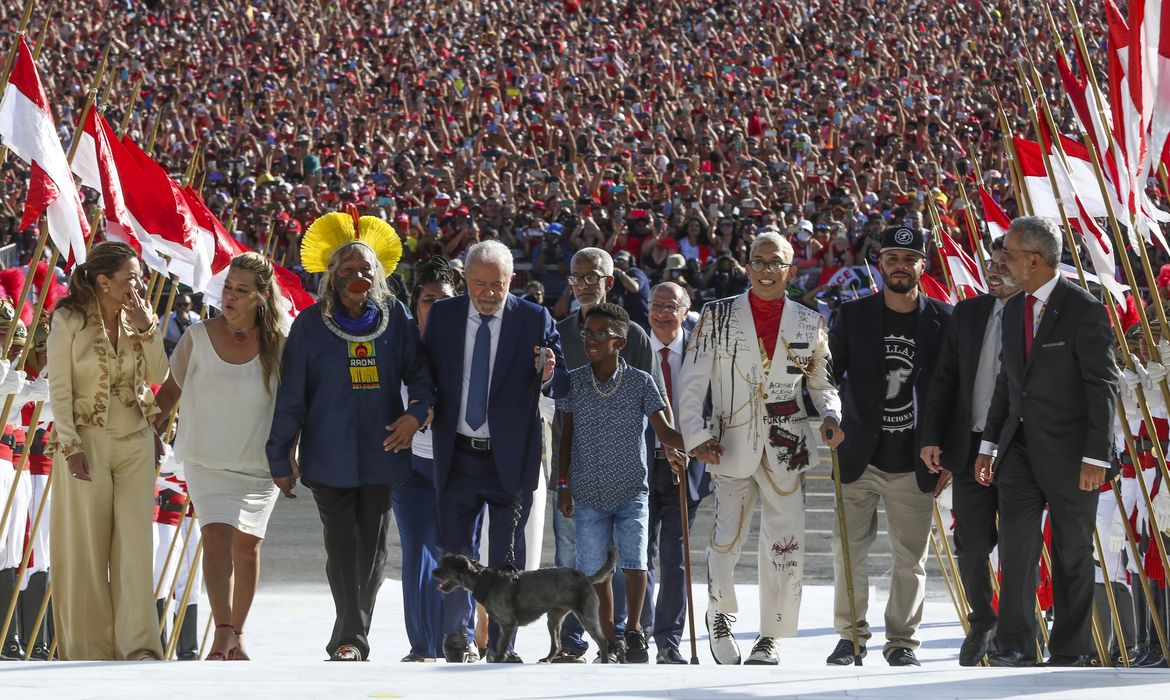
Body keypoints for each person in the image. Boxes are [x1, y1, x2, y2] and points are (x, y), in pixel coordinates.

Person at [267, 211, 435, 662]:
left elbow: (421, 376)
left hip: (384, 452)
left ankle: (349, 636)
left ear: (378, 274)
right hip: (329, 456)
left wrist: (415, 415)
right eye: (348, 270)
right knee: (341, 547)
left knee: (374, 551)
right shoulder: (308, 325)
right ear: (331, 277)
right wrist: (281, 457)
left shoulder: (396, 317)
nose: (358, 276)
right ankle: (353, 637)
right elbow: (291, 397)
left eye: (366, 269)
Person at [680, 231, 843, 665]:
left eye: (777, 263)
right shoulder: (715, 316)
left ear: (791, 270)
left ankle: (771, 634)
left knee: (785, 540)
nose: (767, 270)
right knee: (726, 537)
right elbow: (692, 382)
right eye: (759, 261)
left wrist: (831, 415)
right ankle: (720, 612)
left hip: (788, 446)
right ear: (746, 266)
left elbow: (822, 384)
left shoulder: (809, 322)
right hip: (727, 442)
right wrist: (695, 436)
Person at [975, 216, 1120, 667]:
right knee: (1016, 549)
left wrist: (1097, 455)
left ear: (1033, 260)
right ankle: (1015, 644)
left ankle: (1069, 649)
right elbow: (1006, 383)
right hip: (1017, 451)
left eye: (1010, 256)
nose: (1002, 264)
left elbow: (1102, 386)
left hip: (1075, 455)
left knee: (1071, 552)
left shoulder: (1084, 309)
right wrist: (988, 445)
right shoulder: (1014, 308)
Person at [424, 239, 568, 663]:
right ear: (465, 279)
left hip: (509, 457)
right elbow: (426, 371)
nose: (488, 293)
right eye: (479, 283)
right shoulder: (445, 316)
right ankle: (458, 636)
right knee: (455, 550)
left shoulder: (534, 318)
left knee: (507, 558)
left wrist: (548, 373)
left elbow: (557, 383)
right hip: (457, 454)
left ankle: (503, 644)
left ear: (512, 281)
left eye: (498, 285)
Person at [826, 225, 952, 667]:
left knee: (910, 562)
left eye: (909, 258)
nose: (900, 265)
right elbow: (826, 373)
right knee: (848, 555)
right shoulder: (853, 315)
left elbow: (953, 390)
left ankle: (901, 641)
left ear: (923, 265)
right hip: (858, 455)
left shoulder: (944, 318)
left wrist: (950, 452)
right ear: (881, 263)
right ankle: (850, 638)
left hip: (916, 461)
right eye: (892, 257)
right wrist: (829, 416)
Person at [154, 252, 288, 660]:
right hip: (204, 460)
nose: (229, 296)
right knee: (216, 537)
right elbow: (169, 394)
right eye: (228, 287)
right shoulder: (195, 337)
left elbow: (294, 408)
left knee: (247, 547)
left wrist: (290, 456)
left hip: (259, 465)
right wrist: (148, 435)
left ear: (261, 297)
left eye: (241, 291)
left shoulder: (281, 344)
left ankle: (238, 634)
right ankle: (222, 630)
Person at [46, 241, 168, 660]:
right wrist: (70, 444)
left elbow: (159, 373)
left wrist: (147, 326)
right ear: (103, 280)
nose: (138, 283)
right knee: (88, 547)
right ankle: (88, 647)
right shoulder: (68, 319)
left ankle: (139, 645)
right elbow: (59, 389)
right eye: (131, 276)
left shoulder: (139, 318)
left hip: (136, 439)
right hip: (87, 442)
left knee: (136, 545)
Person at [549, 246, 667, 663]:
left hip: (626, 468)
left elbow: (655, 400)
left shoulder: (632, 334)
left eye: (591, 277)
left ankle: (627, 634)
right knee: (573, 558)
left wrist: (670, 449)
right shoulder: (559, 332)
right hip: (574, 468)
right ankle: (576, 641)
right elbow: (553, 401)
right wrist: (561, 478)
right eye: (575, 278)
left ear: (609, 281)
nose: (583, 285)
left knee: (631, 557)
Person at [919, 239, 1020, 665]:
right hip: (970, 446)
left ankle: (1017, 630)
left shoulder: (1042, 316)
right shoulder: (969, 312)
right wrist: (931, 436)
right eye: (990, 263)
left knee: (1020, 545)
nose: (993, 271)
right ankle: (983, 621)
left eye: (1003, 264)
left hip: (1022, 450)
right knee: (972, 545)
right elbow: (943, 379)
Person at [642, 281, 712, 664]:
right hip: (640, 463)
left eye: (670, 306)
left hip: (688, 465)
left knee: (675, 556)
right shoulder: (635, 349)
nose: (662, 312)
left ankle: (668, 639)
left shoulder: (703, 351)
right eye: (656, 304)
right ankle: (639, 632)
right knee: (638, 554)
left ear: (686, 311)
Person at [394, 256, 459, 662]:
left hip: (456, 463)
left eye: (445, 300)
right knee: (416, 550)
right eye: (428, 299)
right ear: (416, 303)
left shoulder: (471, 347)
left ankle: (455, 638)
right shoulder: (398, 344)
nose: (435, 307)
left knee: (452, 552)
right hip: (408, 464)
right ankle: (421, 645)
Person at [610, 250, 651, 331]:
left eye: (622, 260)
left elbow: (634, 288)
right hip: (626, 322)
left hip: (641, 322)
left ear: (631, 261)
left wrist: (620, 273)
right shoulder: (617, 277)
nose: (618, 263)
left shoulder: (635, 272)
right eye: (616, 260)